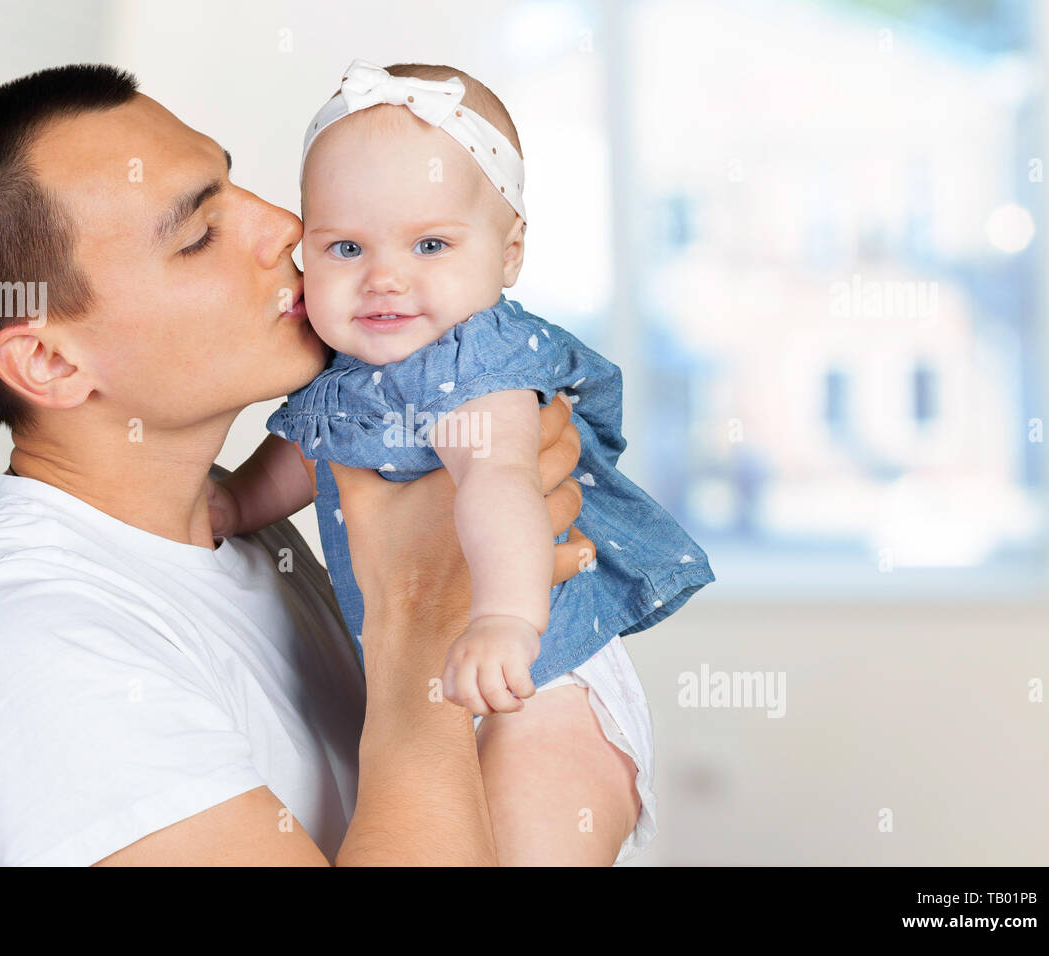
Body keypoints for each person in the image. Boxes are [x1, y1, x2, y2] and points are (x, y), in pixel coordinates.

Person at [0, 63, 609, 865]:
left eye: (235, 185)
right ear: (51, 363)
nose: (285, 227)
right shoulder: (29, 656)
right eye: (199, 235)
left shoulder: (246, 526)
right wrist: (423, 630)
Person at [214, 59, 716, 864]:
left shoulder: (476, 364)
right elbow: (305, 456)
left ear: (508, 254)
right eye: (346, 245)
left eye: (430, 244)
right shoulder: (349, 370)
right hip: (441, 685)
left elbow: (500, 486)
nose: (384, 277)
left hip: (547, 681)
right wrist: (232, 506)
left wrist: (503, 621)